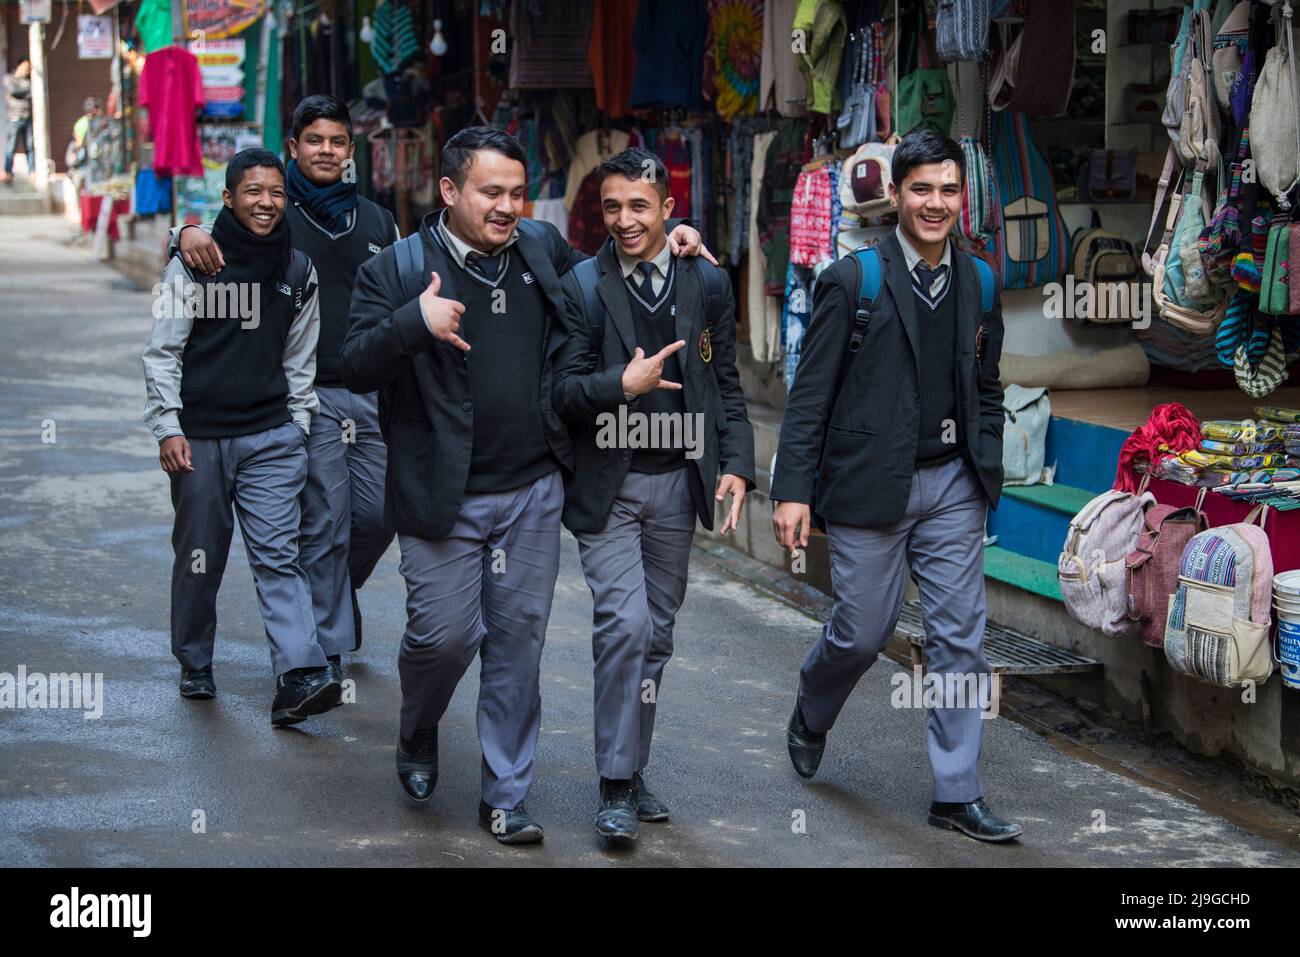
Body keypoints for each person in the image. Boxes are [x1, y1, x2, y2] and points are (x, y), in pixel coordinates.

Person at [340, 126, 710, 844]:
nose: (508, 206)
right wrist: (414, 322)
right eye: (491, 193)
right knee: (443, 637)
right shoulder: (398, 269)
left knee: (518, 644)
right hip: (439, 493)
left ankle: (504, 794)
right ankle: (419, 724)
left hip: (533, 488)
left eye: (516, 192)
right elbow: (353, 365)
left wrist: (675, 238)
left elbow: (613, 266)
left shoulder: (540, 248)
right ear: (450, 192)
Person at [770, 128, 1021, 842]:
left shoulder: (980, 281)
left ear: (961, 197)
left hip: (951, 484)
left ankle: (956, 790)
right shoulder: (854, 279)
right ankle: (812, 706)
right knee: (863, 630)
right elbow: (810, 394)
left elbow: (988, 383)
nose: (935, 203)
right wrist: (792, 489)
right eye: (921, 189)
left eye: (947, 189)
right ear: (896, 194)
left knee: (959, 639)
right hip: (868, 484)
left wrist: (987, 461)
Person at [552, 148, 754, 845]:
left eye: (639, 205)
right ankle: (613, 783)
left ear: (669, 209)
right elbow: (562, 393)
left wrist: (738, 465)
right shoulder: (580, 286)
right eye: (612, 207)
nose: (625, 219)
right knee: (626, 625)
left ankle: (633, 765)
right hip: (607, 486)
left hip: (678, 483)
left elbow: (723, 382)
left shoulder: (706, 282)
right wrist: (620, 386)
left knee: (658, 635)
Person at [175, 95, 399, 688]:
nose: (325, 151)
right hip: (307, 393)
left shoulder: (378, 222)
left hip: (372, 394)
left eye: (337, 142)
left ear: (351, 152)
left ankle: (329, 596)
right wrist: (183, 229)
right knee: (324, 520)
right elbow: (210, 237)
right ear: (293, 147)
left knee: (378, 515)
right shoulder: (273, 211)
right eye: (314, 141)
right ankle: (321, 648)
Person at [142, 148, 341, 727]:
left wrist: (298, 427)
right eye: (253, 191)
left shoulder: (298, 270)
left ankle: (299, 675)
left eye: (276, 192)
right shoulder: (196, 261)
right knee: (201, 557)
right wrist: (167, 426)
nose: (266, 203)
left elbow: (300, 358)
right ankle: (195, 660)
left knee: (280, 555)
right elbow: (163, 352)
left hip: (270, 437)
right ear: (229, 198)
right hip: (199, 441)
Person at [3, 60, 32, 183]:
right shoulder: (9, 79)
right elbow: (15, 91)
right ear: (18, 66)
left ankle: (32, 171)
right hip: (14, 117)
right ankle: (8, 172)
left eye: (29, 68)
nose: (27, 70)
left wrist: (25, 90)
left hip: (27, 117)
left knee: (30, 146)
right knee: (11, 147)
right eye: (25, 67)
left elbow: (28, 94)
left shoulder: (29, 80)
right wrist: (26, 89)